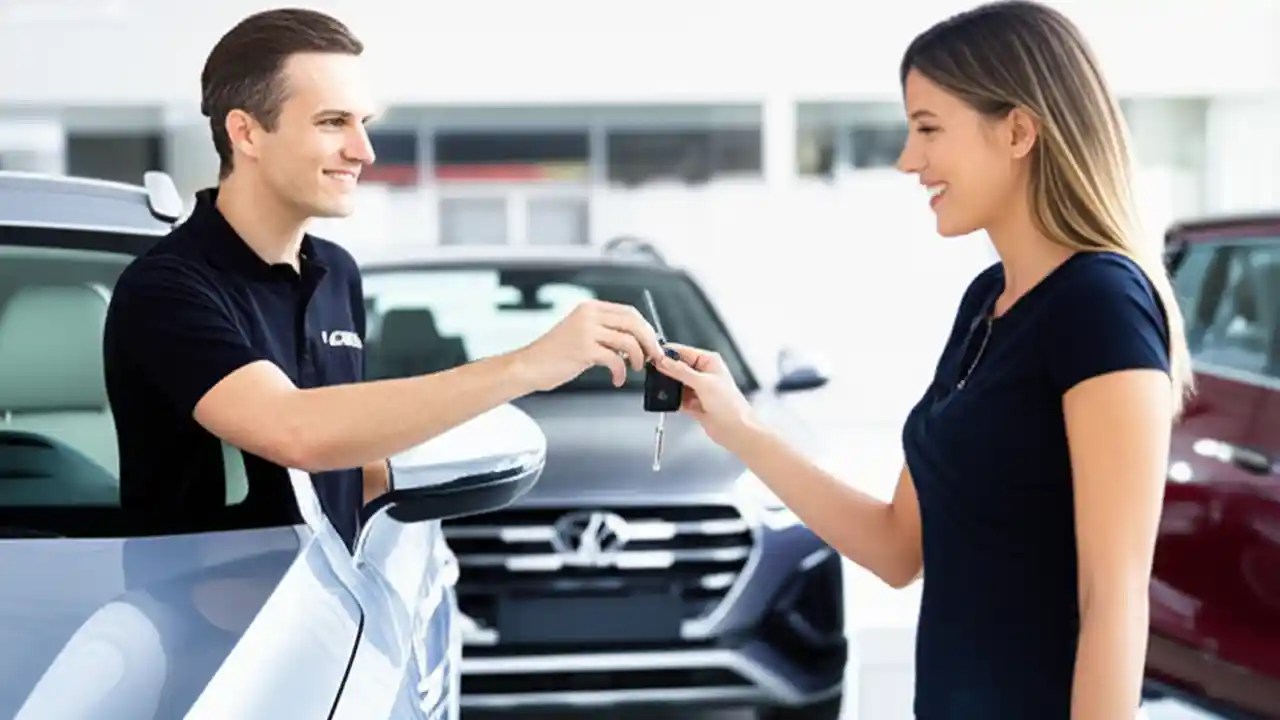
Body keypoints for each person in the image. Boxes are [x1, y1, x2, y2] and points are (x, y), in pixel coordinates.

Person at [655, 2, 1192, 718]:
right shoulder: (986, 304)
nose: (909, 160)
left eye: (929, 128)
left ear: (1019, 131)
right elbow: (896, 547)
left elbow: (1114, 599)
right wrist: (740, 429)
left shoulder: (1102, 304)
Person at [103, 8, 662, 551]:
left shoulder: (337, 273)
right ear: (246, 133)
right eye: (332, 123)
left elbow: (351, 462)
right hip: (201, 610)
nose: (363, 152)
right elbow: (297, 432)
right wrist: (528, 366)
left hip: (333, 599)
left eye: (362, 124)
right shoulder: (167, 290)